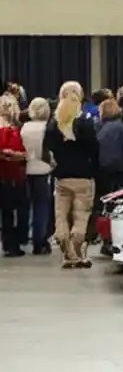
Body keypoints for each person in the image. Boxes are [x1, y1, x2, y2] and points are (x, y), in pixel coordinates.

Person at [44, 89, 98, 268]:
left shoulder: (53, 125)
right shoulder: (86, 124)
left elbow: (46, 150)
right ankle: (77, 247)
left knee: (61, 215)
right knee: (81, 216)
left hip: (62, 177)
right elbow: (94, 149)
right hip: (83, 176)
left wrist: (54, 165)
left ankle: (67, 249)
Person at [94, 99, 123, 255]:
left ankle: (105, 239)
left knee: (103, 208)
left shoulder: (99, 129)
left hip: (102, 172)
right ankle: (114, 240)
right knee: (117, 209)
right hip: (118, 173)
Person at [21, 97, 53, 255]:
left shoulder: (24, 127)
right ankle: (39, 241)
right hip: (43, 170)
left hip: (25, 169)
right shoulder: (48, 128)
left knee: (25, 206)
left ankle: (22, 236)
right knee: (42, 207)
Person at [0, 95, 27, 257]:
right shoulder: (11, 130)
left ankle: (10, 243)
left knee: (10, 212)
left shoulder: (17, 128)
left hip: (13, 174)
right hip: (8, 175)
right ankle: (10, 244)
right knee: (9, 212)